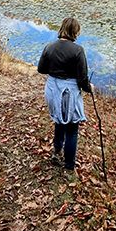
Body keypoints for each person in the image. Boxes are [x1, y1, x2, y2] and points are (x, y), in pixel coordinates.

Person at [38, 16, 92, 173]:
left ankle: (57, 149)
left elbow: (41, 69)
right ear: (74, 32)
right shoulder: (78, 51)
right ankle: (69, 166)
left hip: (52, 89)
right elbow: (82, 80)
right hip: (69, 92)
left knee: (58, 119)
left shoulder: (49, 47)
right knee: (72, 128)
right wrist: (90, 88)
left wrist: (56, 71)